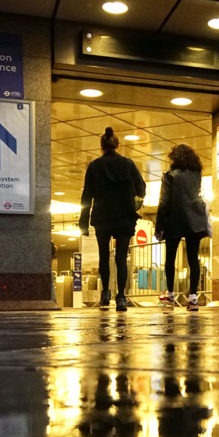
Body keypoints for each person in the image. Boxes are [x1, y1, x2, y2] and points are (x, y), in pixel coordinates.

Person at [79, 127, 146, 311]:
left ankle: (105, 294)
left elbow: (87, 195)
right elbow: (141, 187)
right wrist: (135, 201)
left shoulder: (94, 166)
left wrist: (83, 222)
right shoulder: (128, 164)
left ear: (102, 146)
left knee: (103, 256)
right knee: (121, 257)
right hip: (124, 216)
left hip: (102, 217)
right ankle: (121, 297)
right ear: (117, 145)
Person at [154, 143, 211, 311]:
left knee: (170, 259)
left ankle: (170, 295)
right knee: (193, 259)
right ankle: (193, 298)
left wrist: (159, 226)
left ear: (174, 158)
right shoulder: (197, 174)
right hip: (194, 220)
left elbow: (163, 202)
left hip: (174, 220)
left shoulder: (170, 176)